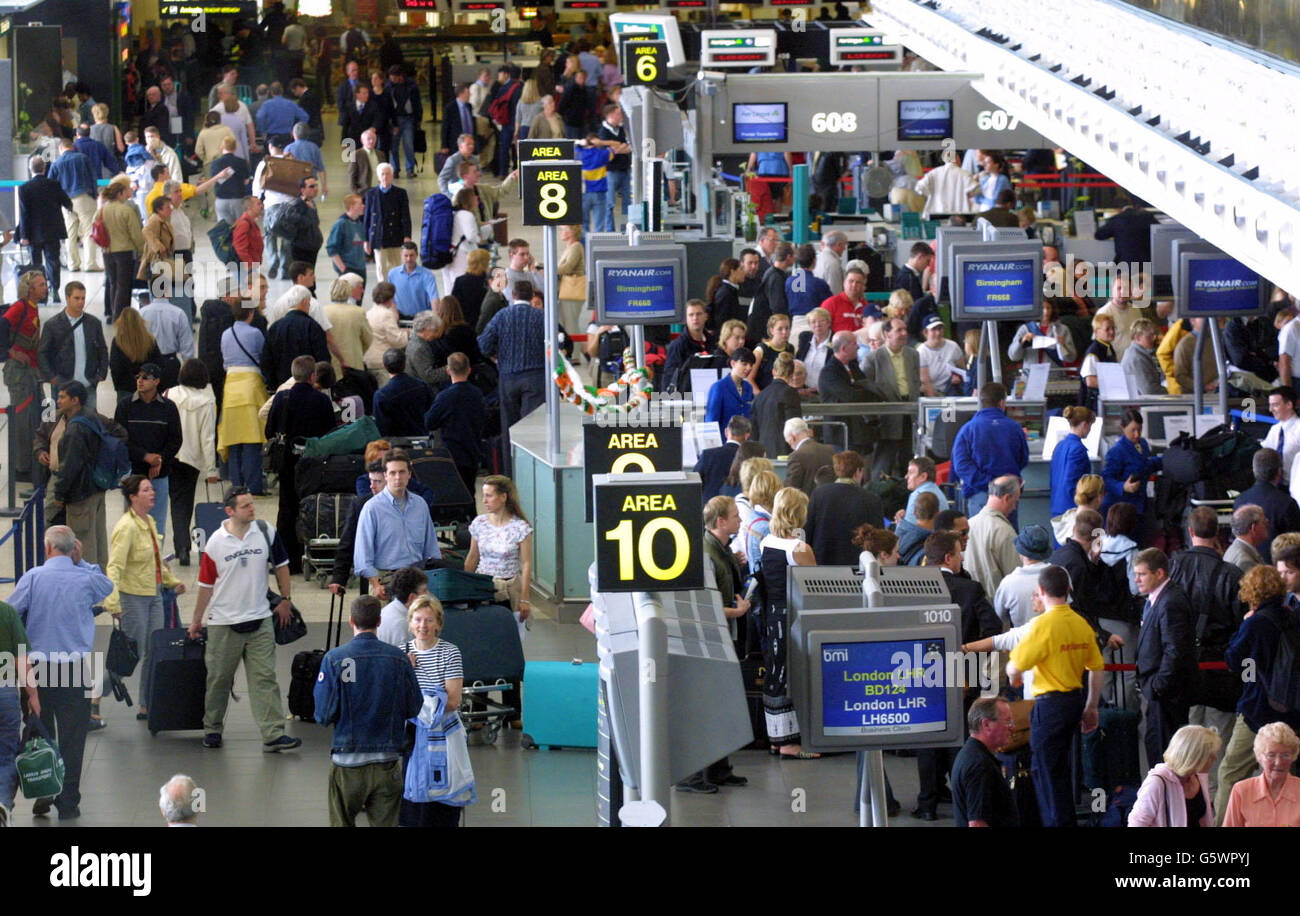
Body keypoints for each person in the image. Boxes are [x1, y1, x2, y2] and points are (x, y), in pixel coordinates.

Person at [7, 526, 113, 820]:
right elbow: (107, 587)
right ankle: (69, 802)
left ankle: (43, 786)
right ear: (73, 548)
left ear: (46, 548)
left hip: (38, 669)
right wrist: (82, 561)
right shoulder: (86, 578)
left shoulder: (33, 577)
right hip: (76, 667)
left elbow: (11, 612)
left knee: (38, 733)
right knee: (73, 736)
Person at [184, 485, 300, 752]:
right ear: (230, 511)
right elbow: (205, 586)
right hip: (224, 623)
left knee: (265, 679)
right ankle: (212, 728)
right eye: (245, 506)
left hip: (260, 620)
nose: (252, 509)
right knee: (219, 680)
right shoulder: (215, 543)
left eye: (252, 504)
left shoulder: (265, 531)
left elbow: (282, 567)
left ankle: (273, 734)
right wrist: (196, 620)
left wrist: (286, 599)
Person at [1007, 564, 1106, 827]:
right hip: (1075, 700)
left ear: (1040, 590)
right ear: (1068, 590)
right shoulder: (1080, 623)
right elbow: (1096, 668)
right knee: (1061, 769)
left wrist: (1012, 674)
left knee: (1046, 772)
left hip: (1049, 706)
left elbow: (1014, 666)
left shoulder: (1042, 627)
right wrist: (1092, 707)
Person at [315, 595, 423, 827]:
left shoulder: (335, 659)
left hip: (347, 762)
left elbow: (323, 714)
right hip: (387, 761)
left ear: (351, 621)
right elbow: (415, 707)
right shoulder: (399, 660)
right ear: (379, 621)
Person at [1215, 559, 1300, 821]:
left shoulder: (1255, 622)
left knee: (1230, 772)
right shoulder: (1293, 617)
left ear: (1250, 592)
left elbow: (1232, 659)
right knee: (1287, 776)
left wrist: (1243, 624)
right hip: (1292, 710)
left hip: (1257, 710)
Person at [103, 476, 184, 722]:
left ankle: (147, 704)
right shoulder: (125, 527)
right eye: (146, 489)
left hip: (154, 595)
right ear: (133, 497)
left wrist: (171, 582)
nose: (152, 493)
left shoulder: (149, 521)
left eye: (152, 488)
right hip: (133, 598)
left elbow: (156, 561)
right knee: (131, 654)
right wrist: (113, 602)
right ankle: (94, 696)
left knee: (154, 651)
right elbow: (114, 567)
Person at [465, 476, 533, 726]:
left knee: (508, 648)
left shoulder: (520, 528)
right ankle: (478, 706)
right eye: (483, 496)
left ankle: (513, 710)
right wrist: (465, 586)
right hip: (483, 590)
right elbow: (472, 557)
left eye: (489, 495)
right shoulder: (479, 524)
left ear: (504, 497)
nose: (484, 501)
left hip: (508, 591)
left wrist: (525, 599)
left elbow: (526, 565)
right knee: (479, 648)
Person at [759, 488, 819, 758]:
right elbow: (815, 587)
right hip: (793, 616)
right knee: (793, 674)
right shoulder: (799, 548)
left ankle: (776, 736)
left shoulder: (766, 542)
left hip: (772, 614)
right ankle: (790, 743)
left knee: (775, 671)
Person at [399, 595, 469, 826]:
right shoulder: (401, 654)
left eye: (429, 620)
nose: (423, 626)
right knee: (413, 798)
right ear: (410, 623)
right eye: (418, 620)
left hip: (444, 737)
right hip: (412, 738)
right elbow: (395, 697)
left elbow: (453, 701)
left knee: (443, 798)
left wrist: (414, 694)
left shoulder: (450, 652)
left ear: (438, 624)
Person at [266, 355, 335, 574]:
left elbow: (269, 431)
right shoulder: (322, 401)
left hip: (287, 462)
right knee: (314, 508)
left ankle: (286, 560)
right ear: (313, 376)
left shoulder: (282, 398)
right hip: (313, 464)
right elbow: (329, 433)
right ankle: (316, 555)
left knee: (286, 510)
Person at [1133, 547, 1197, 768]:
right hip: (1159, 692)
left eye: (1142, 574)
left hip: (1167, 694)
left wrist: (1158, 686)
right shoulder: (1155, 600)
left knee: (1166, 757)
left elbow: (1174, 650)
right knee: (1156, 749)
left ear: (1159, 573)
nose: (1136, 579)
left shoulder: (1171, 602)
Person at [355, 448, 443, 599]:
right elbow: (362, 555)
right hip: (385, 580)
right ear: (385, 475)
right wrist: (376, 584)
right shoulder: (372, 508)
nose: (398, 477)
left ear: (409, 474)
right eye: (393, 473)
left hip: (417, 578)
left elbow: (431, 548)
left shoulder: (420, 505)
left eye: (402, 472)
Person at [479, 280, 546, 469]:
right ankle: (535, 470)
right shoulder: (542, 317)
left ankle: (512, 473)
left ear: (513, 295)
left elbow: (484, 343)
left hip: (508, 378)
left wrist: (496, 357)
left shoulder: (502, 316)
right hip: (536, 378)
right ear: (532, 295)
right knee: (533, 429)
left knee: (510, 429)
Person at [115, 363, 182, 538]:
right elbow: (120, 441)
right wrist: (145, 457)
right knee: (131, 524)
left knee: (157, 526)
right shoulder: (125, 406)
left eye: (145, 377)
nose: (140, 381)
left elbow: (175, 439)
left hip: (159, 474)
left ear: (157, 381)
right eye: (138, 377)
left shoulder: (168, 408)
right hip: (133, 474)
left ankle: (155, 562)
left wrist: (159, 459)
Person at [217, 285, 269, 495]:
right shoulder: (256, 333)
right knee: (252, 439)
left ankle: (236, 485)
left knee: (233, 439)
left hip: (230, 388)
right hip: (251, 387)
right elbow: (261, 358)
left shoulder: (225, 334)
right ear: (251, 313)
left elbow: (224, 363)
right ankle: (254, 486)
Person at [949, 381, 1029, 515]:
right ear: (1002, 402)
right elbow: (1023, 459)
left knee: (981, 534)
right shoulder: (1015, 428)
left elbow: (961, 465)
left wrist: (987, 482)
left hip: (979, 495)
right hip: (1008, 496)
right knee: (1007, 534)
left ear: (981, 401)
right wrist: (1003, 482)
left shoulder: (968, 429)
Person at [168, 360, 218, 567]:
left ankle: (180, 545)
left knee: (174, 502)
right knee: (185, 502)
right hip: (191, 459)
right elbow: (208, 438)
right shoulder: (206, 402)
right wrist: (211, 469)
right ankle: (184, 546)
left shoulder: (169, 394)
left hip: (170, 455)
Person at [860, 318, 921, 480]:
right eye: (899, 330)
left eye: (905, 329)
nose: (904, 333)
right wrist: (872, 419)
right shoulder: (872, 359)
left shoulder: (913, 354)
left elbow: (915, 382)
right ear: (886, 334)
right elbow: (864, 390)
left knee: (908, 459)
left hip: (911, 413)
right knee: (883, 462)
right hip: (885, 417)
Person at [1129, 725, 1220, 827]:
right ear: (1194, 756)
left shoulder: (1199, 777)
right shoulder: (1156, 783)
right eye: (1210, 755)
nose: (1215, 758)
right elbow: (1136, 823)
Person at [805, 451, 884, 566]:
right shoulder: (872, 499)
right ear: (858, 471)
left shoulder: (819, 494)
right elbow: (877, 538)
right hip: (856, 567)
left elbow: (807, 529)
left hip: (821, 563)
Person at [37, 282, 107, 412]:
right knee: (60, 424)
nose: (81, 302)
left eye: (83, 298)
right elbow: (42, 353)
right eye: (77, 298)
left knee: (90, 423)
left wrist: (101, 374)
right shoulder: (52, 325)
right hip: (62, 385)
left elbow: (102, 349)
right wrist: (52, 377)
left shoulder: (94, 323)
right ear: (67, 298)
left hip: (88, 384)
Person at [951, 697, 1020, 827]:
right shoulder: (980, 766)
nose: (1013, 727)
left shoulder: (971, 754)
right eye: (1008, 722)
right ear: (986, 724)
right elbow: (977, 823)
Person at [424, 352, 486, 496]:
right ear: (469, 370)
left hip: (452, 453)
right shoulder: (477, 394)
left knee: (453, 495)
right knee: (470, 491)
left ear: (448, 370)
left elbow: (430, 422)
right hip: (473, 451)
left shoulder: (445, 396)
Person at [1222, 722, 1300, 827]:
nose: (1278, 762)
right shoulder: (1241, 790)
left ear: (1293, 757)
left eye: (1285, 755)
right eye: (1271, 755)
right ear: (1259, 756)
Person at [17, 158, 73, 301]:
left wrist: (24, 235)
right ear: (44, 169)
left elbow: (24, 214)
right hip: (53, 231)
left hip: (33, 233)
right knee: (53, 261)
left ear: (31, 170)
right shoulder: (54, 185)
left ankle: (40, 294)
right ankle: (55, 290)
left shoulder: (24, 188)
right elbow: (67, 202)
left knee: (36, 264)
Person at [1235, 448, 1300, 564]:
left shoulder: (1239, 501)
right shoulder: (1287, 503)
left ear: (1254, 470)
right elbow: (1295, 545)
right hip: (1279, 571)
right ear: (1279, 472)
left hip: (1245, 568)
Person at [262, 286, 330, 388]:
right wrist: (319, 383)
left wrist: (273, 385)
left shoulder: (275, 328)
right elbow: (323, 359)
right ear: (304, 302)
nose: (309, 306)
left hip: (282, 386)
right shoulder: (313, 327)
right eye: (309, 303)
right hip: (308, 387)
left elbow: (266, 360)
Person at [966, 476, 1022, 595]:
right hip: (996, 605)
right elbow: (1014, 577)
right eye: (1015, 502)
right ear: (1007, 498)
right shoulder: (1005, 531)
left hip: (972, 603)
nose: (1014, 507)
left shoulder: (968, 525)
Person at [1101, 406, 1161, 519]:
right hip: (1120, 509)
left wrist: (1167, 458)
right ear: (1123, 428)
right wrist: (1123, 486)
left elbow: (1146, 464)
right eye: (1132, 430)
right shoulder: (1117, 451)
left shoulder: (1142, 443)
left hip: (1139, 505)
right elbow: (1106, 479)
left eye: (1139, 429)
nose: (1137, 434)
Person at [100, 177, 145, 321]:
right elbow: (136, 234)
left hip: (107, 252)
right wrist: (141, 251)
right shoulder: (126, 211)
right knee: (124, 286)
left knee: (113, 283)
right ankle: (120, 316)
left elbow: (95, 228)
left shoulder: (103, 210)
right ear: (120, 193)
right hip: (124, 252)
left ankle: (114, 312)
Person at [992, 524, 1054, 628]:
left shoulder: (1008, 584)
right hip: (1056, 640)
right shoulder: (1061, 575)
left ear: (1020, 550)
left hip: (1021, 642)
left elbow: (1000, 617)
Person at [1048, 405, 1095, 527]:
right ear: (1085, 424)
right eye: (1090, 426)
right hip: (1071, 509)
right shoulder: (1078, 450)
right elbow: (1072, 483)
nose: (1090, 430)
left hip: (1057, 505)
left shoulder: (1060, 446)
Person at [751, 353, 803, 460]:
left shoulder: (760, 396)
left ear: (773, 372)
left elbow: (754, 429)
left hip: (762, 452)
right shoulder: (791, 393)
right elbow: (794, 426)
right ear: (792, 373)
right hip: (784, 451)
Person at [363, 163, 411, 278]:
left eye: (388, 174)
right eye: (382, 174)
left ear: (392, 176)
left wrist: (407, 236)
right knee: (381, 269)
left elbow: (405, 216)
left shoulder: (400, 193)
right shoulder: (371, 194)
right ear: (379, 177)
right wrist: (366, 240)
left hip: (396, 236)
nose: (385, 177)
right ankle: (383, 294)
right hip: (378, 237)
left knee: (397, 268)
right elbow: (367, 218)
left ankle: (396, 292)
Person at [373, 348, 433, 438]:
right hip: (422, 438)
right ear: (405, 364)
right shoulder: (422, 385)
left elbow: (381, 426)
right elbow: (431, 411)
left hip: (397, 443)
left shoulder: (381, 395)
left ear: (384, 366)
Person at [696, 416, 750, 503]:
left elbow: (695, 481)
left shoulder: (707, 455)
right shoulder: (749, 458)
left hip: (708, 508)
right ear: (747, 436)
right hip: (736, 509)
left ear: (726, 432)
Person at [1094, 195, 1158, 268]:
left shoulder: (1117, 219)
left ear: (1118, 209)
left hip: (1125, 262)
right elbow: (1159, 231)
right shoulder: (1146, 215)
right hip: (1146, 261)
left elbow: (1099, 235)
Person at [1008, 299, 1076, 367]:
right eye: (1042, 308)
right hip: (1031, 374)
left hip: (1054, 374)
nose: (1045, 312)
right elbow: (1013, 357)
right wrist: (1021, 341)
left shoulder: (1062, 329)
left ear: (1053, 309)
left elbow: (1071, 358)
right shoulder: (1025, 329)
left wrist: (1063, 345)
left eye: (1048, 308)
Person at [913, 148, 978, 218]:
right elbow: (976, 191)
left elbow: (919, 188)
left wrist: (930, 194)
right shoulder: (965, 174)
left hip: (936, 214)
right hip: (959, 216)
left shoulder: (933, 173)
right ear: (957, 159)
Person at [704, 346, 755, 431]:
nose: (749, 368)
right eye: (744, 364)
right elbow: (711, 420)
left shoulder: (748, 387)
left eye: (751, 365)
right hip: (724, 440)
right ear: (733, 363)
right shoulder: (719, 387)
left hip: (744, 439)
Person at [782, 417, 836, 495]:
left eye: (788, 442)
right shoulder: (830, 450)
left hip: (806, 504)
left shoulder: (796, 456)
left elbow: (790, 488)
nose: (790, 446)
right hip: (828, 502)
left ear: (792, 437)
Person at [377, 565, 427, 647]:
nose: (428, 594)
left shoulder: (386, 611)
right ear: (412, 598)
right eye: (424, 591)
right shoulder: (403, 626)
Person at [1078, 313, 1117, 410]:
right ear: (1096, 331)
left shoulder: (1108, 348)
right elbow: (1090, 381)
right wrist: (1115, 385)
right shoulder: (1093, 352)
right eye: (1107, 329)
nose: (1112, 332)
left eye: (1113, 328)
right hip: (1092, 404)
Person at [327, 194, 368, 281]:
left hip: (360, 267)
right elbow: (332, 249)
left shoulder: (359, 224)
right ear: (352, 206)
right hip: (348, 268)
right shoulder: (341, 224)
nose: (363, 206)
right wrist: (343, 268)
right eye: (360, 204)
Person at [1224, 504, 1268, 573]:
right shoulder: (1245, 561)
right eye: (1264, 522)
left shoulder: (1234, 549)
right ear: (1253, 528)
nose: (1267, 525)